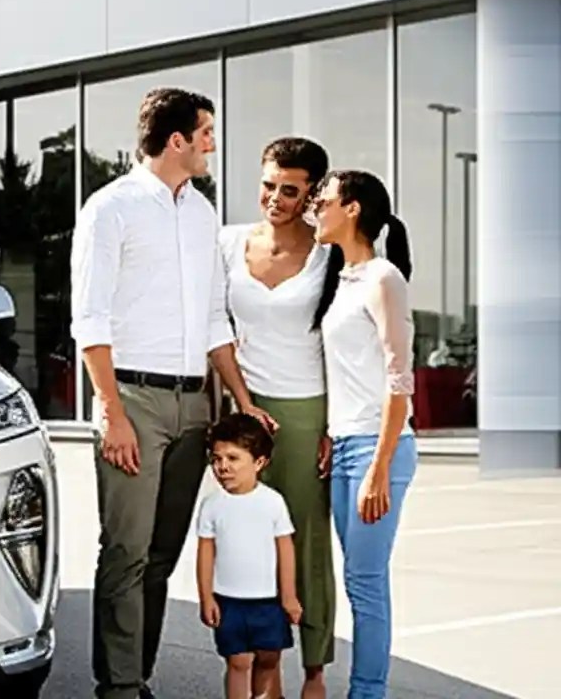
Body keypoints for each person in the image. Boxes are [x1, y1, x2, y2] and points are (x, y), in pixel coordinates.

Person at [70, 87, 275, 699]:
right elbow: (90, 319)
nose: (212, 142)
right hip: (133, 399)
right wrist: (111, 410)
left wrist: (239, 397)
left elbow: (216, 317)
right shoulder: (110, 208)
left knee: (162, 553)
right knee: (126, 550)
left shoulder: (202, 213)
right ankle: (120, 687)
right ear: (177, 139)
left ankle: (141, 675)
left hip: (196, 402)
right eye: (205, 131)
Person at [217, 137, 336, 699]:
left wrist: (332, 426)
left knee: (305, 542)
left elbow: (344, 342)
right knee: (245, 539)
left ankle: (313, 671)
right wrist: (241, 401)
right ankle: (263, 675)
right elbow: (215, 328)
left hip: (306, 410)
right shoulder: (228, 242)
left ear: (312, 192)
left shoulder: (328, 253)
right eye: (269, 184)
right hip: (242, 410)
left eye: (291, 190)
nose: (275, 198)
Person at [309, 169, 417, 699]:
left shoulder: (382, 278)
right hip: (347, 444)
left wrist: (378, 464)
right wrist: (333, 433)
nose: (314, 209)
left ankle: (367, 693)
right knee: (356, 581)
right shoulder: (344, 279)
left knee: (366, 584)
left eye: (323, 201)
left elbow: (401, 380)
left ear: (352, 209)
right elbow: (351, 373)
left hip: (379, 449)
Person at [196, 412, 302, 699]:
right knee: (238, 661)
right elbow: (205, 553)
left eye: (233, 458)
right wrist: (206, 597)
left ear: (259, 462)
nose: (223, 467)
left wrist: (289, 596)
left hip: (267, 600)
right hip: (228, 601)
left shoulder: (272, 503)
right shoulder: (212, 506)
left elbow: (285, 549)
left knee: (268, 658)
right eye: (216, 459)